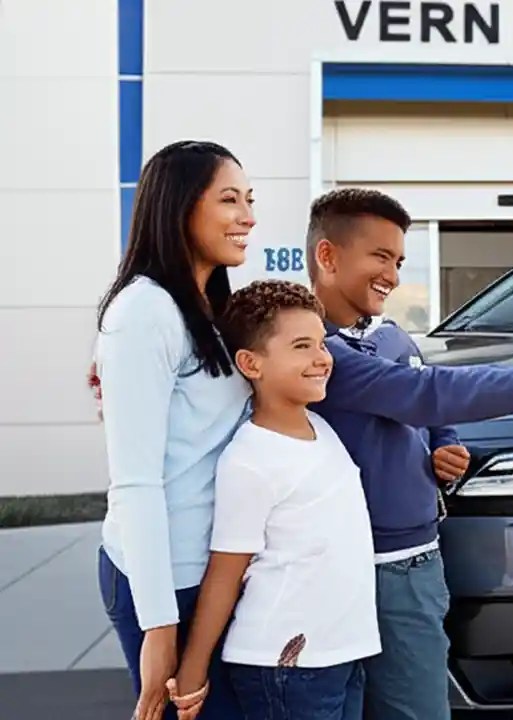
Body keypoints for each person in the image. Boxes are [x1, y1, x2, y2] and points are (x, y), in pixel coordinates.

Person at [302, 187, 513, 720]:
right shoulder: (318, 355)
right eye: (379, 257)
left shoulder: (395, 337)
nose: (393, 275)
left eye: (398, 261)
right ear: (327, 257)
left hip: (412, 565)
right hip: (346, 568)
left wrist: (445, 445)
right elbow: (425, 392)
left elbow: (428, 407)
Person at [93, 140, 256, 720]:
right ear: (181, 207)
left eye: (250, 200)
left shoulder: (208, 311)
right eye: (230, 199)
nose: (249, 217)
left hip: (212, 572)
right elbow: (134, 483)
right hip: (165, 579)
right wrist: (157, 626)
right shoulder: (143, 313)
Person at [164, 280, 374, 720]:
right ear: (250, 363)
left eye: (321, 343)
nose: (322, 358)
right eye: (302, 346)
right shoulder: (250, 458)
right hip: (287, 665)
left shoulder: (323, 427)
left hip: (342, 653)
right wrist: (192, 670)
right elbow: (225, 573)